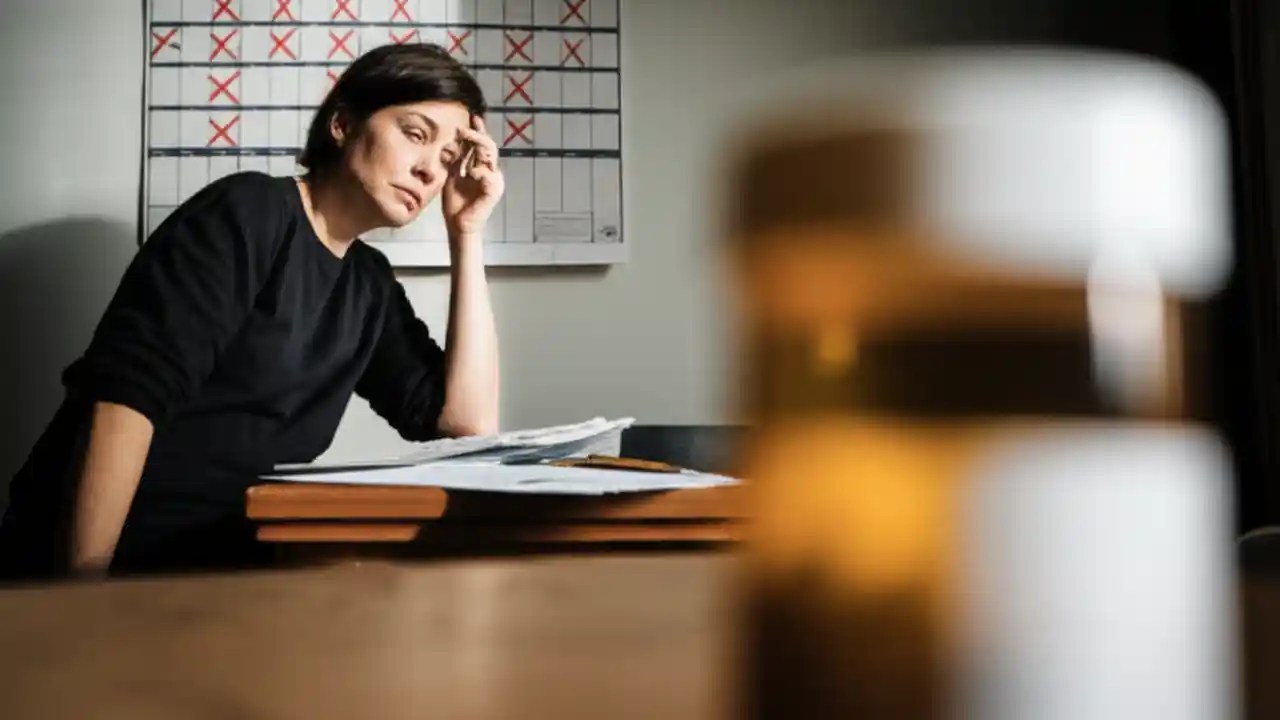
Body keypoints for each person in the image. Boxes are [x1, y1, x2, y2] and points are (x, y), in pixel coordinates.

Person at [0, 43, 502, 579]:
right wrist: (83, 594)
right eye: (415, 133)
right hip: (108, 566)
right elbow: (127, 401)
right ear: (343, 124)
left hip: (221, 573)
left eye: (448, 159)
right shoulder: (249, 213)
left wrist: (466, 234)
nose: (430, 171)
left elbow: (464, 420)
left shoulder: (369, 285)